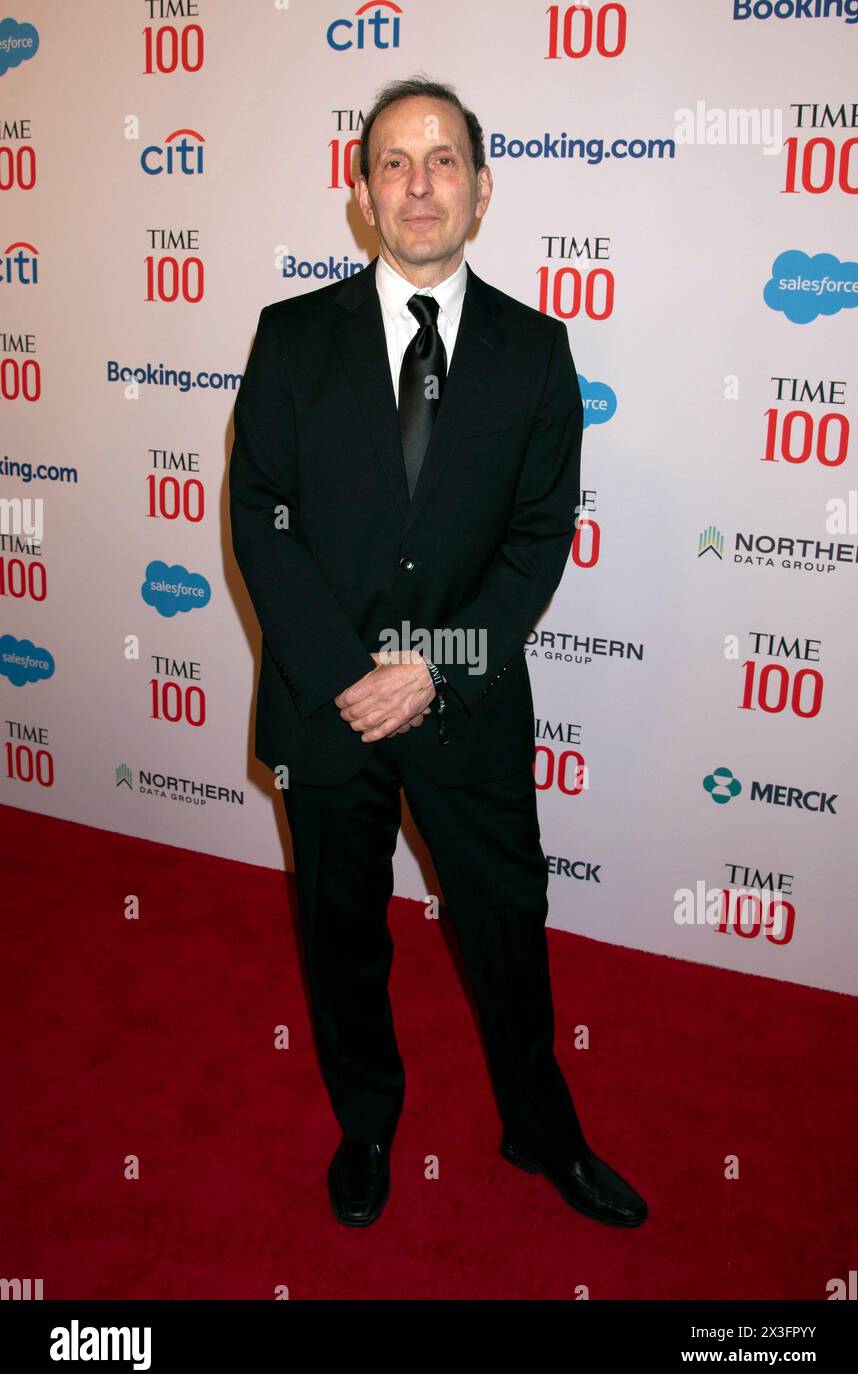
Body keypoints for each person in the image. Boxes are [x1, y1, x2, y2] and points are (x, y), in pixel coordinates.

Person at [229, 75, 647, 1231]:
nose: (419, 185)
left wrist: (428, 665)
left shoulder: (534, 350)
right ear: (360, 196)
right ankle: (366, 1122)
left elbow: (532, 540)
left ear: (481, 191)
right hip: (325, 707)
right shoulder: (290, 338)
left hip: (464, 703)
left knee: (506, 923)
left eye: (444, 161)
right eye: (394, 164)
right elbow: (261, 517)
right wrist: (346, 672)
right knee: (339, 927)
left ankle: (540, 1128)